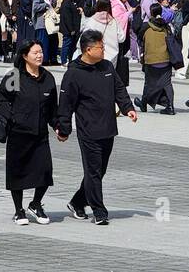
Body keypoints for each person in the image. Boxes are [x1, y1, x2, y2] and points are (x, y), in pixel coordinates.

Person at [56, 28, 138, 225]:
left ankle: (77, 202)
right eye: (100, 47)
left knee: (99, 171)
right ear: (87, 50)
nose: (104, 50)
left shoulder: (107, 67)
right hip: (88, 129)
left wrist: (128, 108)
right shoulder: (74, 73)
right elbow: (66, 103)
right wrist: (64, 129)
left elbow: (119, 89)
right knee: (93, 171)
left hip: (108, 127)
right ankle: (99, 211)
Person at [0, 40, 58, 226]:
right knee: (18, 173)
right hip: (19, 132)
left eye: (40, 52)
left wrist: (59, 126)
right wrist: (11, 118)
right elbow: (3, 101)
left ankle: (36, 204)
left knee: (45, 172)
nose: (39, 55)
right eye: (35, 53)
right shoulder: (14, 76)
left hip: (40, 133)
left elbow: (53, 107)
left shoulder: (47, 77)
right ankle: (18, 210)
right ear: (24, 55)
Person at [135, 6, 177, 114]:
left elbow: (139, 40)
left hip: (151, 59)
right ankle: (170, 106)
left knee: (148, 83)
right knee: (167, 84)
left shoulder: (146, 26)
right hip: (166, 59)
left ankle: (143, 104)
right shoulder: (166, 26)